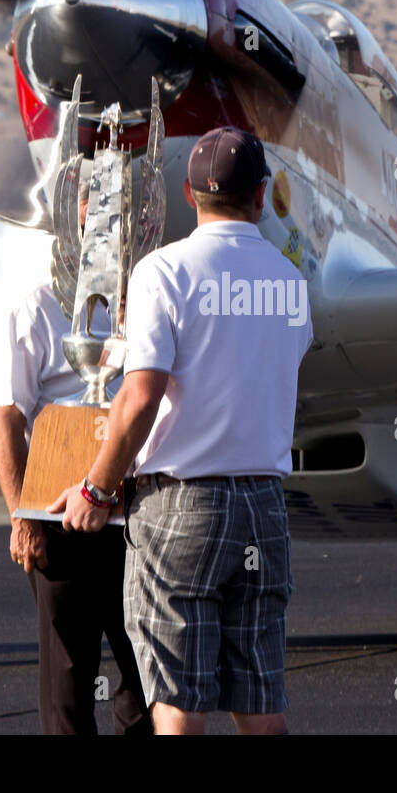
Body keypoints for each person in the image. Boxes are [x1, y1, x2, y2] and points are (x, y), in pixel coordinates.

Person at [50, 126, 313, 735]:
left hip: (182, 506)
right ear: (260, 195)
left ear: (190, 198)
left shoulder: (162, 272)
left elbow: (140, 398)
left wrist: (94, 489)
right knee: (260, 700)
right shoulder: (290, 281)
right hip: (264, 503)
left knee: (176, 701)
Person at [0, 176, 150, 736]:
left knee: (145, 671)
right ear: (69, 218)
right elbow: (7, 417)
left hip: (137, 512)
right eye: (91, 212)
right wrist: (21, 516)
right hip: (58, 517)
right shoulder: (35, 304)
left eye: (115, 215)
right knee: (67, 679)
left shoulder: (150, 298)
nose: (103, 227)